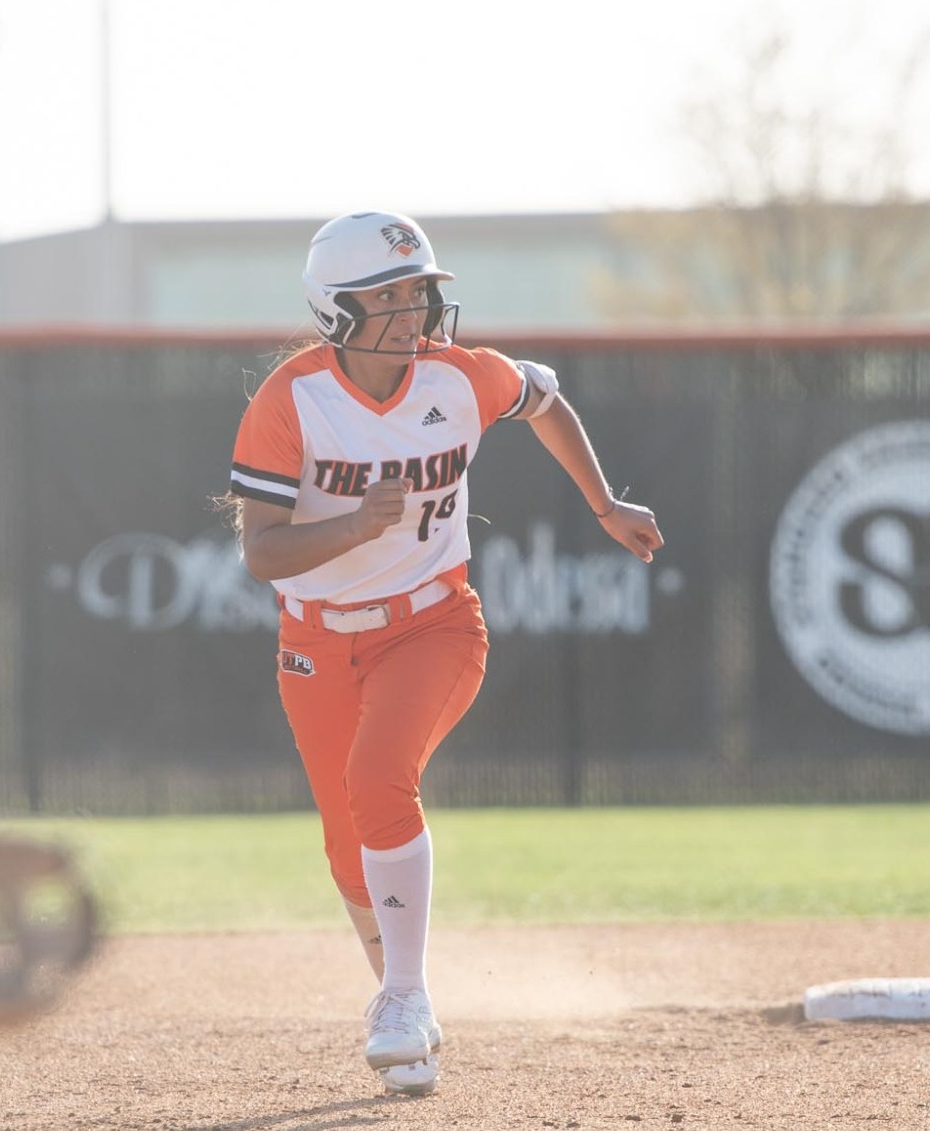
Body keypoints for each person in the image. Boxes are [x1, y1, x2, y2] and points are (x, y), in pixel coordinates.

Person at [227, 210, 664, 1096]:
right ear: (336, 307)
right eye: (386, 295)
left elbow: (545, 400)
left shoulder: (461, 376)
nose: (411, 310)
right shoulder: (291, 399)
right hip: (315, 638)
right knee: (346, 843)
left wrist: (604, 503)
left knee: (379, 778)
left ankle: (401, 997)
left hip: (433, 624)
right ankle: (406, 1010)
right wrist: (355, 525)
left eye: (417, 291)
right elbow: (261, 552)